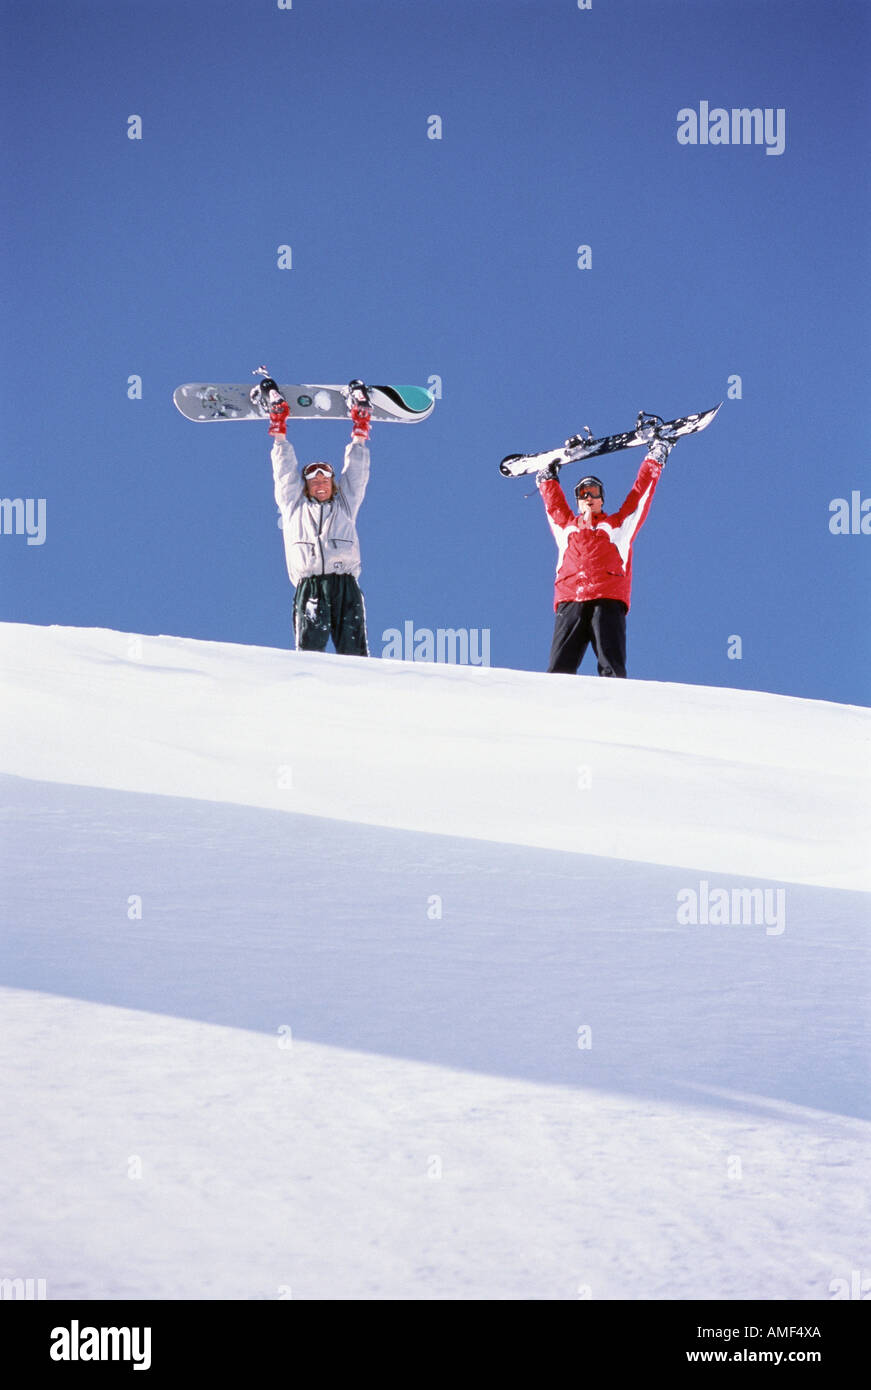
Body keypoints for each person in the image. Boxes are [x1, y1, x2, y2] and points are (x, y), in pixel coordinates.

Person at [535, 435, 673, 677]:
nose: (589, 497)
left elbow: (639, 497)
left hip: (607, 597)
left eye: (594, 492)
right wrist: (547, 479)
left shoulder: (617, 526)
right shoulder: (567, 528)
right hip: (570, 598)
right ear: (577, 500)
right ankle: (554, 709)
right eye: (583, 493)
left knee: (611, 664)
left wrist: (654, 459)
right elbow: (554, 505)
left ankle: (614, 706)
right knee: (559, 668)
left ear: (601, 499)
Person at [268, 382, 372, 655]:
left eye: (325, 479)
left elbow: (357, 473)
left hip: (345, 583)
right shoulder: (294, 507)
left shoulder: (345, 504)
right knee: (310, 650)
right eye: (314, 481)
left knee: (354, 649)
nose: (320, 484)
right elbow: (284, 474)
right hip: (311, 584)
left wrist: (359, 432)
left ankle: (361, 689)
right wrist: (279, 432)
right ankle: (309, 689)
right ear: (306, 487)